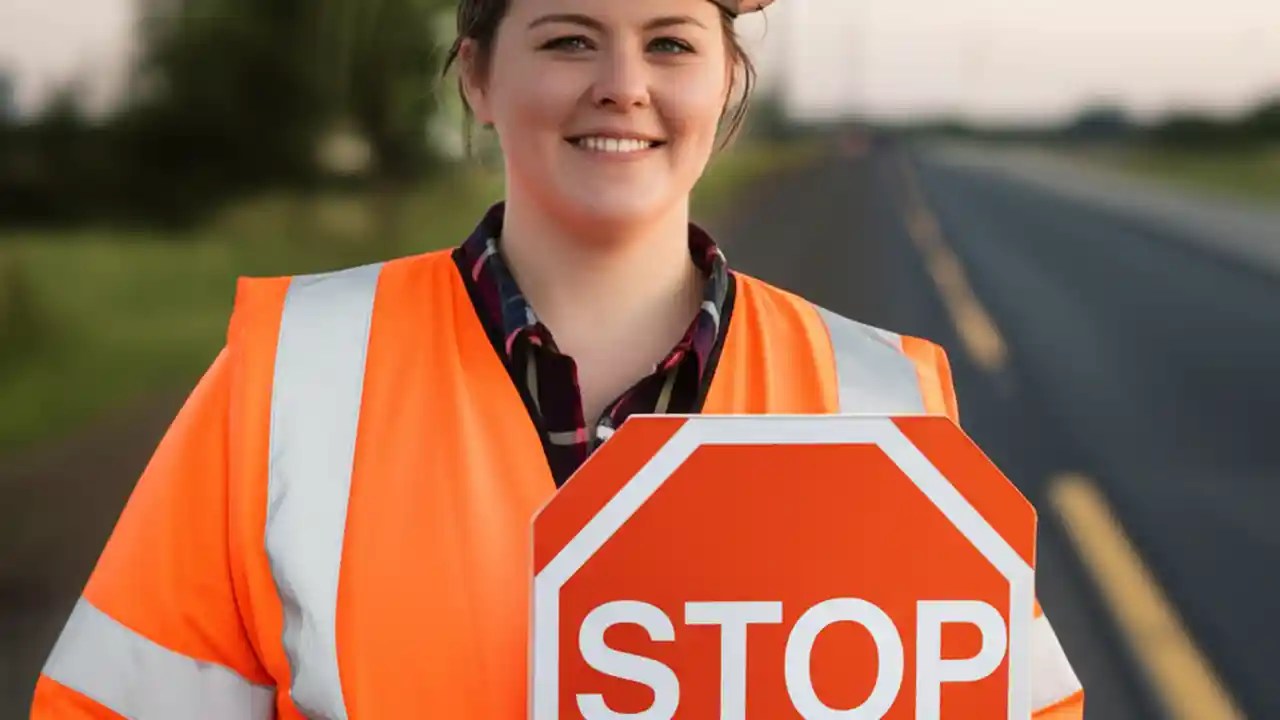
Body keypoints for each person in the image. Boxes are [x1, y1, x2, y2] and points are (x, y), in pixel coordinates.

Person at [31, 0, 1084, 717]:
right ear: (477, 76)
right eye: (570, 38)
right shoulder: (292, 378)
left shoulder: (883, 408)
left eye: (669, 42)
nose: (623, 85)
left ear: (727, 82)